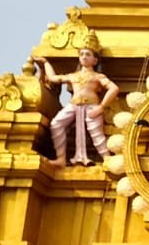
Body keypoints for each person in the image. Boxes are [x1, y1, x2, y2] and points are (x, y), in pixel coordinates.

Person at [35, 32, 119, 167]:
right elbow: (53, 78)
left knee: (96, 134)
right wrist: (45, 63)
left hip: (92, 107)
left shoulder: (98, 76)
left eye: (88, 55)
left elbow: (114, 89)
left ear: (95, 60)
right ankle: (61, 158)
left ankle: (107, 159)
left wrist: (101, 107)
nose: (84, 57)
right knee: (56, 124)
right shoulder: (73, 76)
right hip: (74, 105)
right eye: (82, 54)